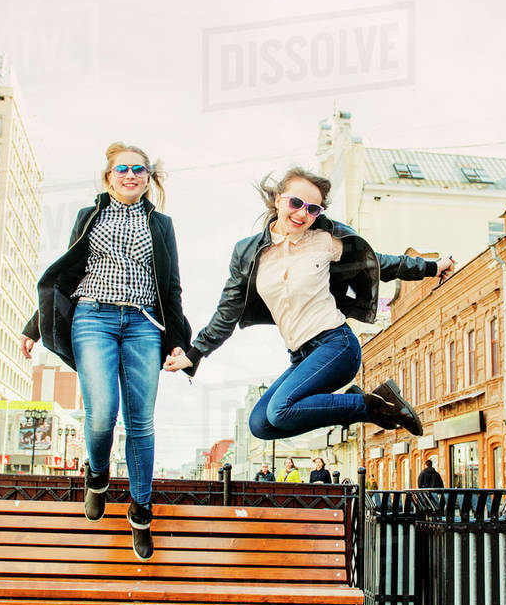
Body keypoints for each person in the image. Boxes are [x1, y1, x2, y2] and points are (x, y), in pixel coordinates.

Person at [163, 168, 453, 441]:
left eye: (313, 209)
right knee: (260, 424)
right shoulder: (248, 252)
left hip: (336, 345)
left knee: (280, 410)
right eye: (296, 202)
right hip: (301, 356)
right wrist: (193, 354)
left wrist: (432, 267)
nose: (303, 213)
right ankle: (362, 402)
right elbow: (228, 311)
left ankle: (369, 405)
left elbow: (380, 264)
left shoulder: (325, 240)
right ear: (279, 200)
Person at [20, 142, 191, 561]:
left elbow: (170, 286)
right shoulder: (89, 216)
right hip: (92, 318)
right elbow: (67, 274)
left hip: (143, 325)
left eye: (139, 169)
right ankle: (97, 476)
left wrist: (180, 342)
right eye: (122, 169)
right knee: (101, 415)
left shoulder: (162, 224)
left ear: (149, 178)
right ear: (108, 176)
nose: (130, 175)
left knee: (141, 422)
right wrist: (34, 325)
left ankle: (140, 511)